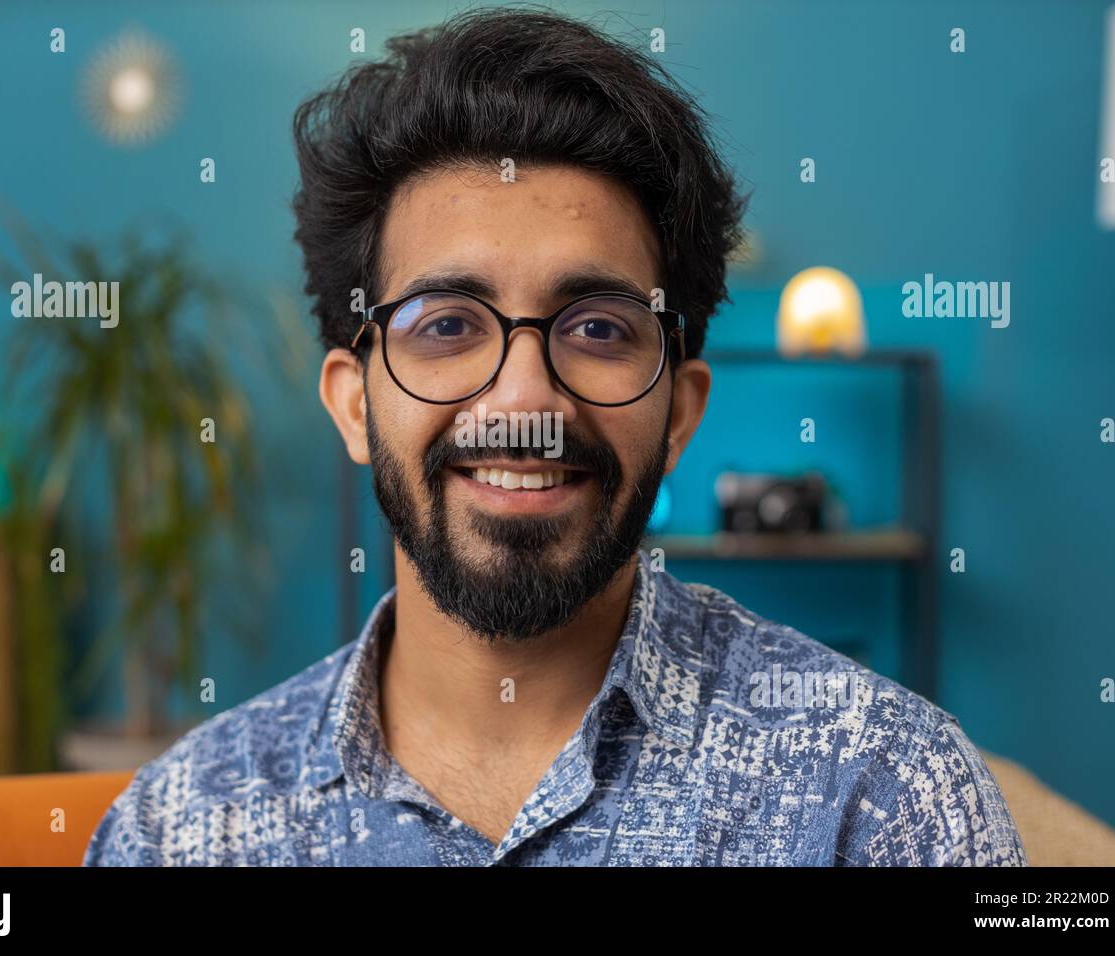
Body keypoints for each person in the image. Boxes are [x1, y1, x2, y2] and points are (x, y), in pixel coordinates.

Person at [85, 6, 1026, 866]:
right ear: (351, 403)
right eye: (447, 324)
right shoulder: (182, 830)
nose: (525, 399)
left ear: (683, 413)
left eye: (600, 328)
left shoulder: (881, 795)